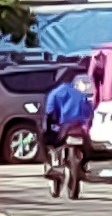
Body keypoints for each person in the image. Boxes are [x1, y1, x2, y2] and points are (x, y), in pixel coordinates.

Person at [41, 66, 96, 204]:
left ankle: (50, 166)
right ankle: (84, 165)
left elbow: (49, 113)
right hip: (78, 128)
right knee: (89, 149)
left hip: (63, 129)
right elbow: (89, 112)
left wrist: (48, 129)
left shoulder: (55, 93)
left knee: (45, 142)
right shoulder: (80, 93)